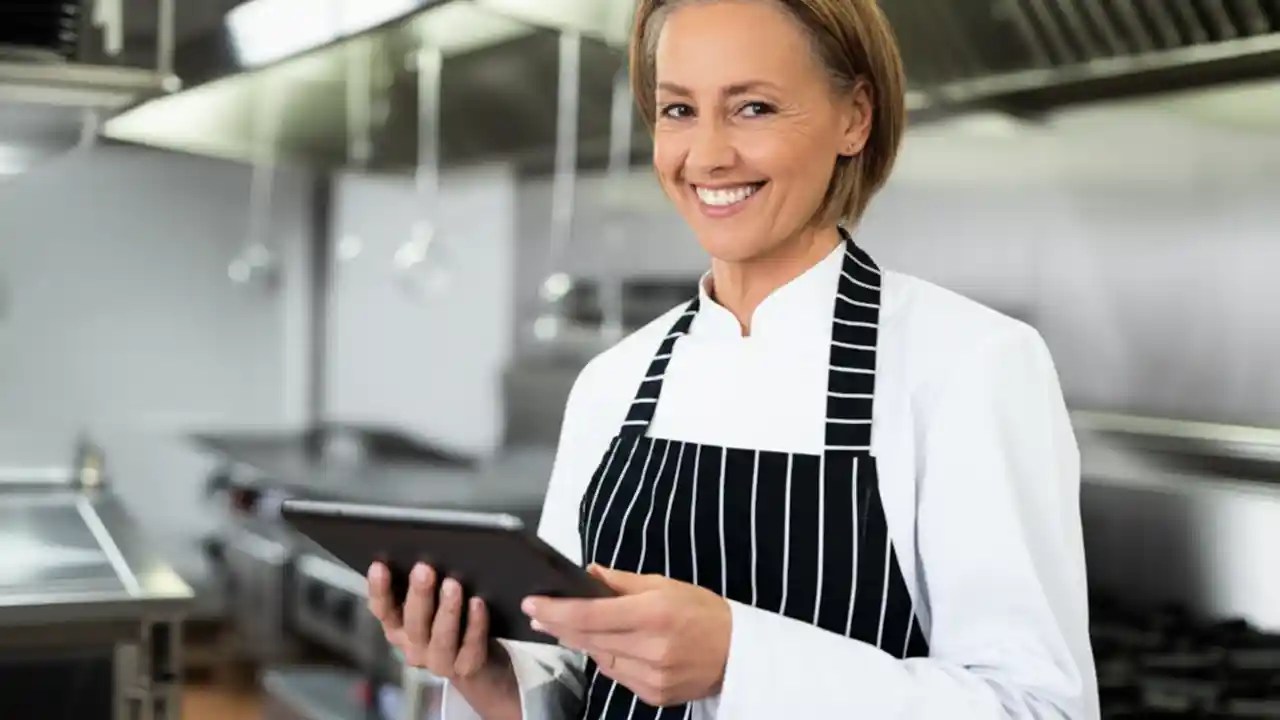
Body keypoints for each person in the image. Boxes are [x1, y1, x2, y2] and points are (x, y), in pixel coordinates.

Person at [367, 0, 1099, 717]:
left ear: (855, 117)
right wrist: (491, 678)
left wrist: (737, 658)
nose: (708, 155)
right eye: (679, 110)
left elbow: (1035, 709)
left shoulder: (971, 366)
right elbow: (569, 679)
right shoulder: (613, 383)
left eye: (753, 108)